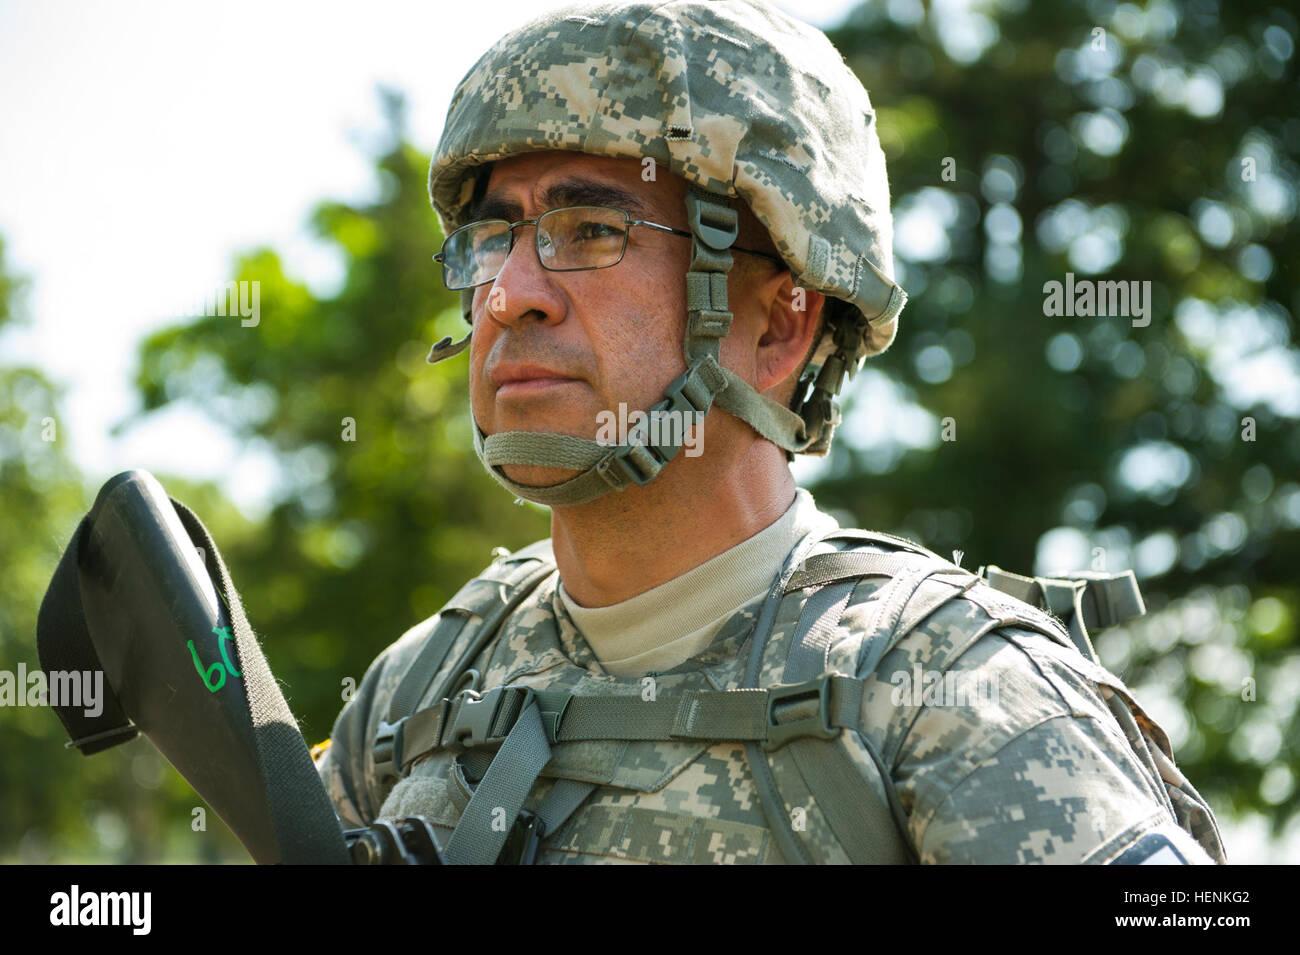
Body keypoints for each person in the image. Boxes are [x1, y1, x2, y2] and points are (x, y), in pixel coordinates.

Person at [314, 0, 1225, 865]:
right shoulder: (423, 683)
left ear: (779, 324)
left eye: (589, 229)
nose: (508, 296)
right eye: (491, 239)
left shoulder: (951, 688)